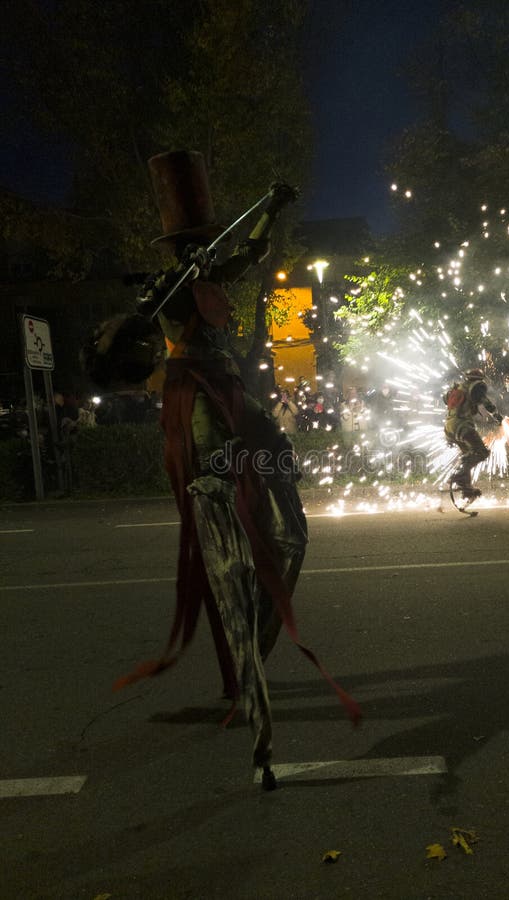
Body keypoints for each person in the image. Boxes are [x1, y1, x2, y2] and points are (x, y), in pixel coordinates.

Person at [82, 150, 359, 789]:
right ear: (178, 244)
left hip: (239, 397)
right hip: (199, 403)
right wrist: (155, 297)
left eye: (206, 241)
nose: (204, 249)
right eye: (194, 242)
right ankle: (254, 702)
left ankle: (251, 652)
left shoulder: (212, 273)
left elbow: (248, 256)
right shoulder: (170, 289)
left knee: (291, 533)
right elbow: (135, 333)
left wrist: (271, 209)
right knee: (228, 556)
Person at [443, 368, 503, 499]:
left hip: (449, 427)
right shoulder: (476, 387)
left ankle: (467, 489)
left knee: (468, 456)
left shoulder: (457, 388)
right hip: (462, 426)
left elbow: (446, 400)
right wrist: (497, 416)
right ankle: (458, 476)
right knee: (482, 452)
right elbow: (486, 403)